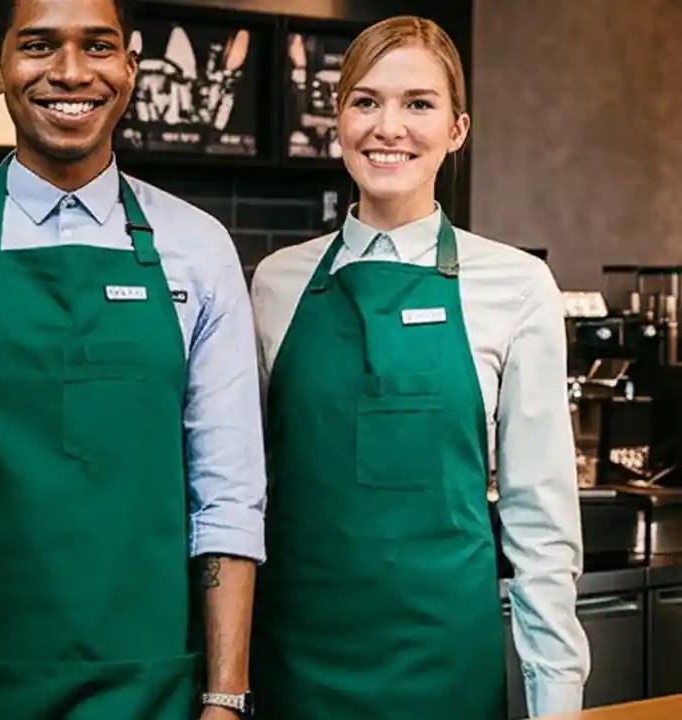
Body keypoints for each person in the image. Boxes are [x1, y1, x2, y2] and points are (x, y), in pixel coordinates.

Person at [0, 0, 265, 717]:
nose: (70, 72)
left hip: (149, 683)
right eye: (39, 46)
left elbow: (228, 493)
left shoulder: (198, 249)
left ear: (131, 68)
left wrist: (224, 699)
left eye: (98, 46)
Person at [248, 15, 588, 720]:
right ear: (337, 120)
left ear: (458, 129)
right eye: (365, 101)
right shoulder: (275, 284)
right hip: (297, 661)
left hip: (445, 666)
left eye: (419, 104)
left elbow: (540, 522)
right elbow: (242, 494)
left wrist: (556, 701)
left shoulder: (517, 286)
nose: (388, 126)